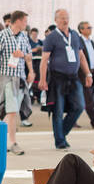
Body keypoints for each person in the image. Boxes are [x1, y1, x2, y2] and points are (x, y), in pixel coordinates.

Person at [39, 8, 90, 150]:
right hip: (57, 78)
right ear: (56, 20)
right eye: (61, 18)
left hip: (73, 78)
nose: (65, 20)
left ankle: (61, 133)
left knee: (80, 106)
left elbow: (81, 56)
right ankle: (60, 140)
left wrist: (88, 74)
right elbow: (44, 60)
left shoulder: (75, 35)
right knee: (58, 110)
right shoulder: (51, 37)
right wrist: (43, 80)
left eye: (66, 17)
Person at [0, 10, 33, 154]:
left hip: (20, 78)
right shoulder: (2, 36)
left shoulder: (24, 36)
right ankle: (12, 142)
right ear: (17, 21)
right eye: (25, 21)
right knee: (11, 111)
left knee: (10, 111)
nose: (26, 24)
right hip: (6, 76)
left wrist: (30, 69)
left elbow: (29, 55)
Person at [78, 21, 94, 130]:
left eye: (90, 27)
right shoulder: (79, 42)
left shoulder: (91, 42)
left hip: (92, 73)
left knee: (80, 99)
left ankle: (71, 119)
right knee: (88, 99)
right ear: (81, 30)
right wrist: (85, 74)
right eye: (88, 27)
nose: (90, 29)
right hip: (83, 74)